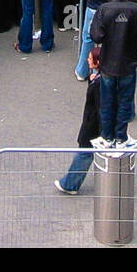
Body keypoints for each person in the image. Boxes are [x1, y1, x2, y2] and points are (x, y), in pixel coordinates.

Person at [90, 0, 137, 148]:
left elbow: (96, 35)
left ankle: (107, 136)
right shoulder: (136, 9)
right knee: (125, 102)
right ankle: (121, 137)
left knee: (107, 102)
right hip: (127, 62)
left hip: (108, 62)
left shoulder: (104, 9)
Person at [55, 46, 102, 195]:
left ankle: (70, 184)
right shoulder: (99, 79)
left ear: (97, 62)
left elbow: (98, 107)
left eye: (90, 58)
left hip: (92, 125)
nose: (88, 60)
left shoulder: (99, 84)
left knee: (85, 152)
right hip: (94, 124)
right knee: (86, 152)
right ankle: (70, 183)